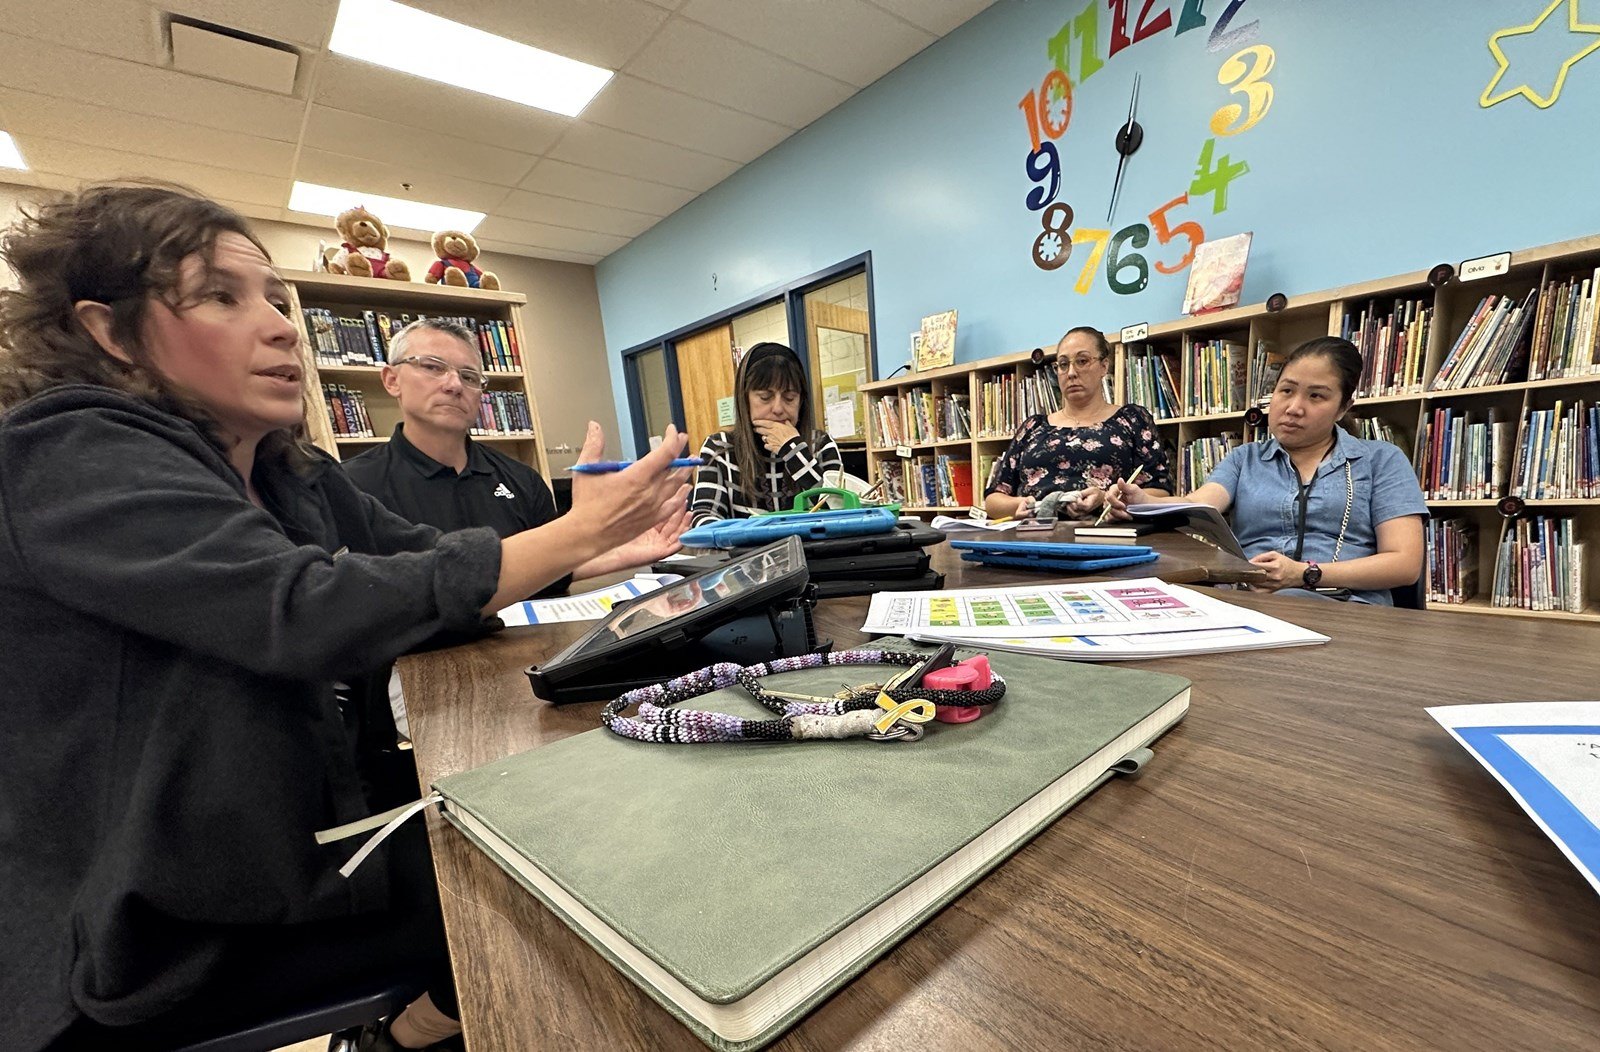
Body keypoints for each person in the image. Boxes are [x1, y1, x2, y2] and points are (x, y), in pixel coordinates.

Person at [0, 184, 692, 1052]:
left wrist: (584, 556)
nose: (283, 326)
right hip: (154, 926)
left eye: (275, 300)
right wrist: (569, 535)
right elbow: (302, 607)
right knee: (553, 877)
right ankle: (408, 1039)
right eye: (222, 296)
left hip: (300, 827)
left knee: (580, 803)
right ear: (110, 332)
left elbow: (413, 574)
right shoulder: (65, 453)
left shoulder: (299, 475)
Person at [342, 318, 686, 739]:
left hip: (533, 664)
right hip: (427, 681)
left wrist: (613, 553)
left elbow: (546, 576)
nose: (454, 384)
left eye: (469, 376)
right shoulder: (354, 488)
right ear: (391, 379)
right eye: (432, 367)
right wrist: (586, 531)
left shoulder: (520, 479)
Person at [1111, 336, 1426, 604]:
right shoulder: (1244, 458)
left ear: (1343, 407)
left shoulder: (1381, 460)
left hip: (1348, 608)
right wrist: (1141, 499)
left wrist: (1304, 573)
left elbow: (1404, 563)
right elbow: (1202, 503)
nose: (1294, 408)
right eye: (1286, 390)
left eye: (1316, 396)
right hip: (1254, 603)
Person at [983, 326, 1172, 520]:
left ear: (1104, 366)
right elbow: (994, 500)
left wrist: (1108, 498)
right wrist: (1023, 504)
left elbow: (1161, 492)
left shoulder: (1132, 420)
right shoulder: (1033, 427)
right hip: (1035, 536)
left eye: (1082, 361)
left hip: (1105, 538)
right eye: (1063, 364)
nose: (1071, 373)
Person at [689, 341, 843, 526]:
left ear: (801, 401)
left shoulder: (820, 444)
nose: (778, 408)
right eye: (765, 397)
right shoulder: (719, 448)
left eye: (789, 398)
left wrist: (794, 453)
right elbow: (703, 519)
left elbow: (842, 514)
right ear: (744, 399)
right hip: (745, 554)